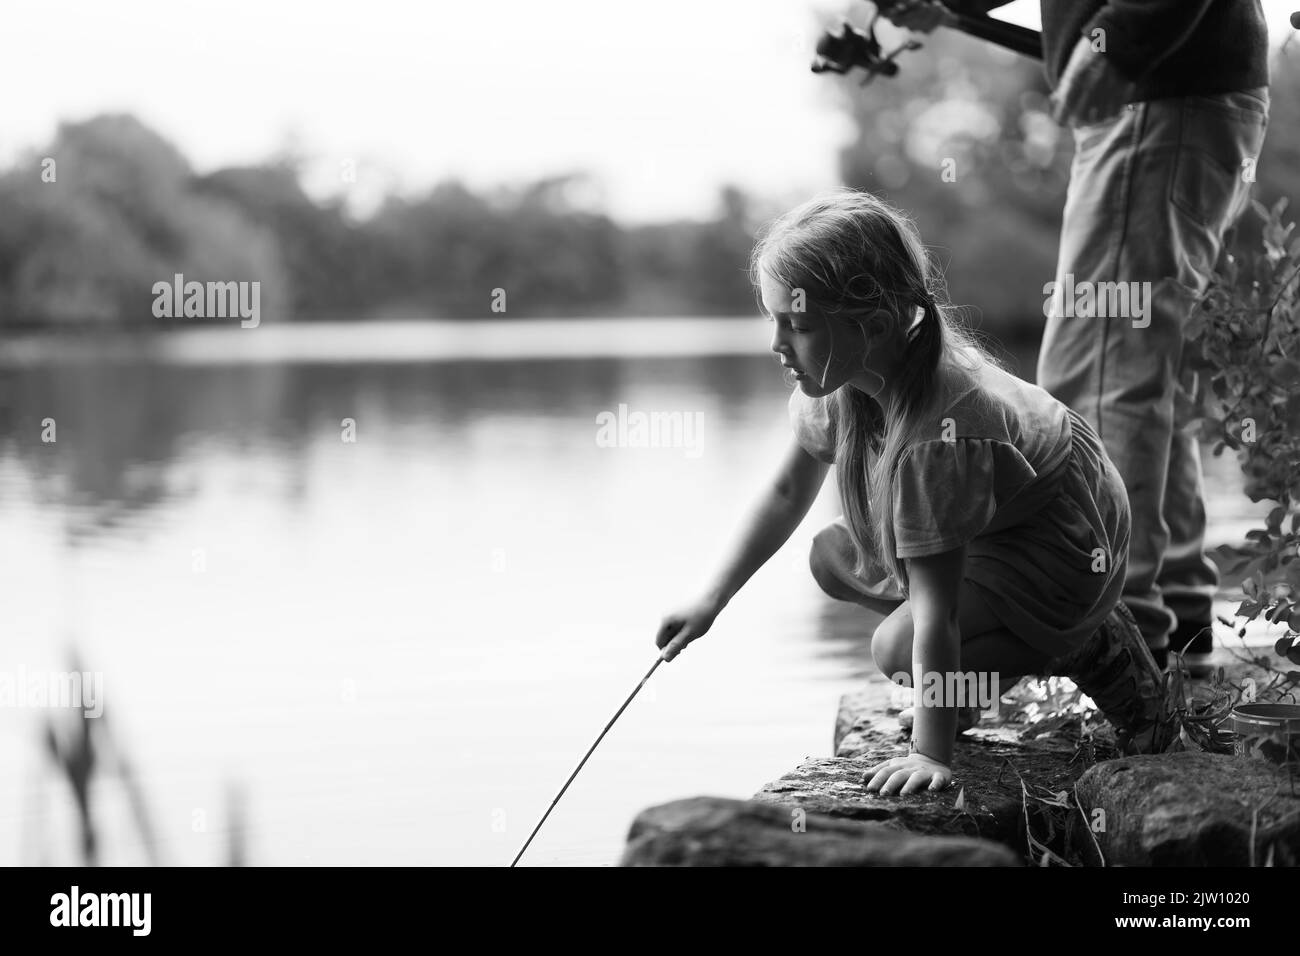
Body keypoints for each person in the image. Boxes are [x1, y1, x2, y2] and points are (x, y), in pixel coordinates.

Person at [653, 189, 1167, 796]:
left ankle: (1085, 639)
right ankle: (967, 684)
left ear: (872, 326)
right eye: (774, 320)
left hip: (1061, 541)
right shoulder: (842, 379)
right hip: (999, 526)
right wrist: (711, 599)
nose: (776, 344)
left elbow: (936, 611)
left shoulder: (939, 436)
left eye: (798, 324)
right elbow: (788, 490)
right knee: (833, 558)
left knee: (896, 648)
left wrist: (930, 751)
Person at [881, 0, 1272, 677]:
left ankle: (1122, 631)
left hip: (1156, 93)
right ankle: (1172, 622)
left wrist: (1117, 38)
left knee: (1098, 378)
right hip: (1181, 95)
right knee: (1148, 371)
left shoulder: (1136, 51)